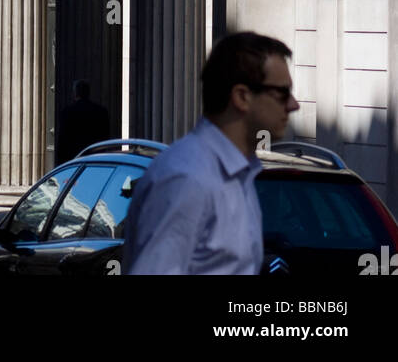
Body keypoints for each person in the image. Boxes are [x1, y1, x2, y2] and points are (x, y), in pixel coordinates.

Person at [123, 31, 300, 274]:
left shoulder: (238, 174)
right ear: (242, 97)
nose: (293, 105)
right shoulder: (187, 177)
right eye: (282, 93)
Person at [55, 80, 111, 165]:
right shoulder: (101, 111)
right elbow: (105, 136)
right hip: (95, 157)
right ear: (88, 93)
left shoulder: (67, 112)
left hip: (74, 158)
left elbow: (62, 141)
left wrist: (60, 163)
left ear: (75, 93)